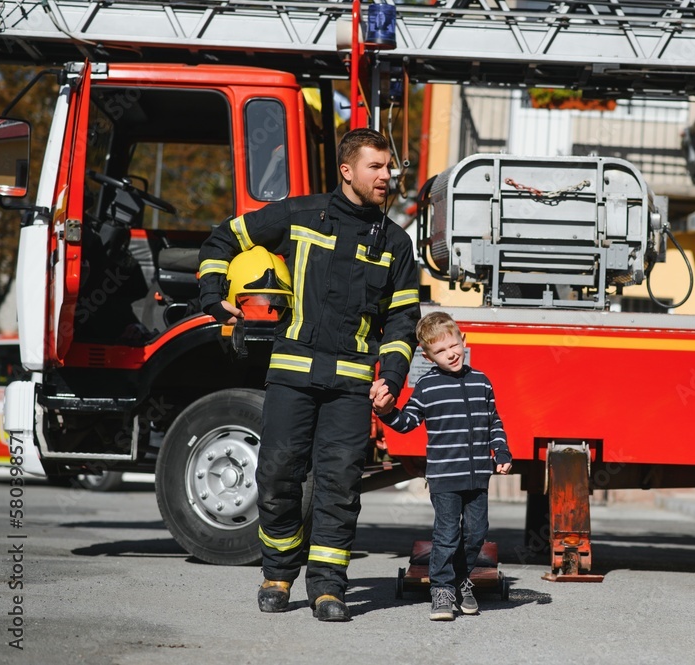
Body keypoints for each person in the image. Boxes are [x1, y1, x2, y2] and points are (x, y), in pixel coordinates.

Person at [197, 128, 420, 622]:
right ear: (347, 170)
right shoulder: (298, 215)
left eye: (389, 167)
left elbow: (404, 318)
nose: (386, 176)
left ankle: (328, 587)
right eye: (376, 167)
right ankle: (277, 575)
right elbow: (224, 237)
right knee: (277, 475)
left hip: (352, 386)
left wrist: (392, 375)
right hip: (292, 375)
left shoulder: (396, 242)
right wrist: (213, 297)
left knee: (339, 486)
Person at [372, 311, 512, 621]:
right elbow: (408, 422)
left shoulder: (481, 381)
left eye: (453, 346)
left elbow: (494, 421)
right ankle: (442, 589)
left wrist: (501, 452)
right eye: (440, 351)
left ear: (464, 340)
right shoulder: (427, 386)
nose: (450, 354)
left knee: (476, 533)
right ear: (427, 356)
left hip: (478, 476)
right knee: (447, 535)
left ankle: (461, 579)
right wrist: (386, 412)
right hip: (445, 477)